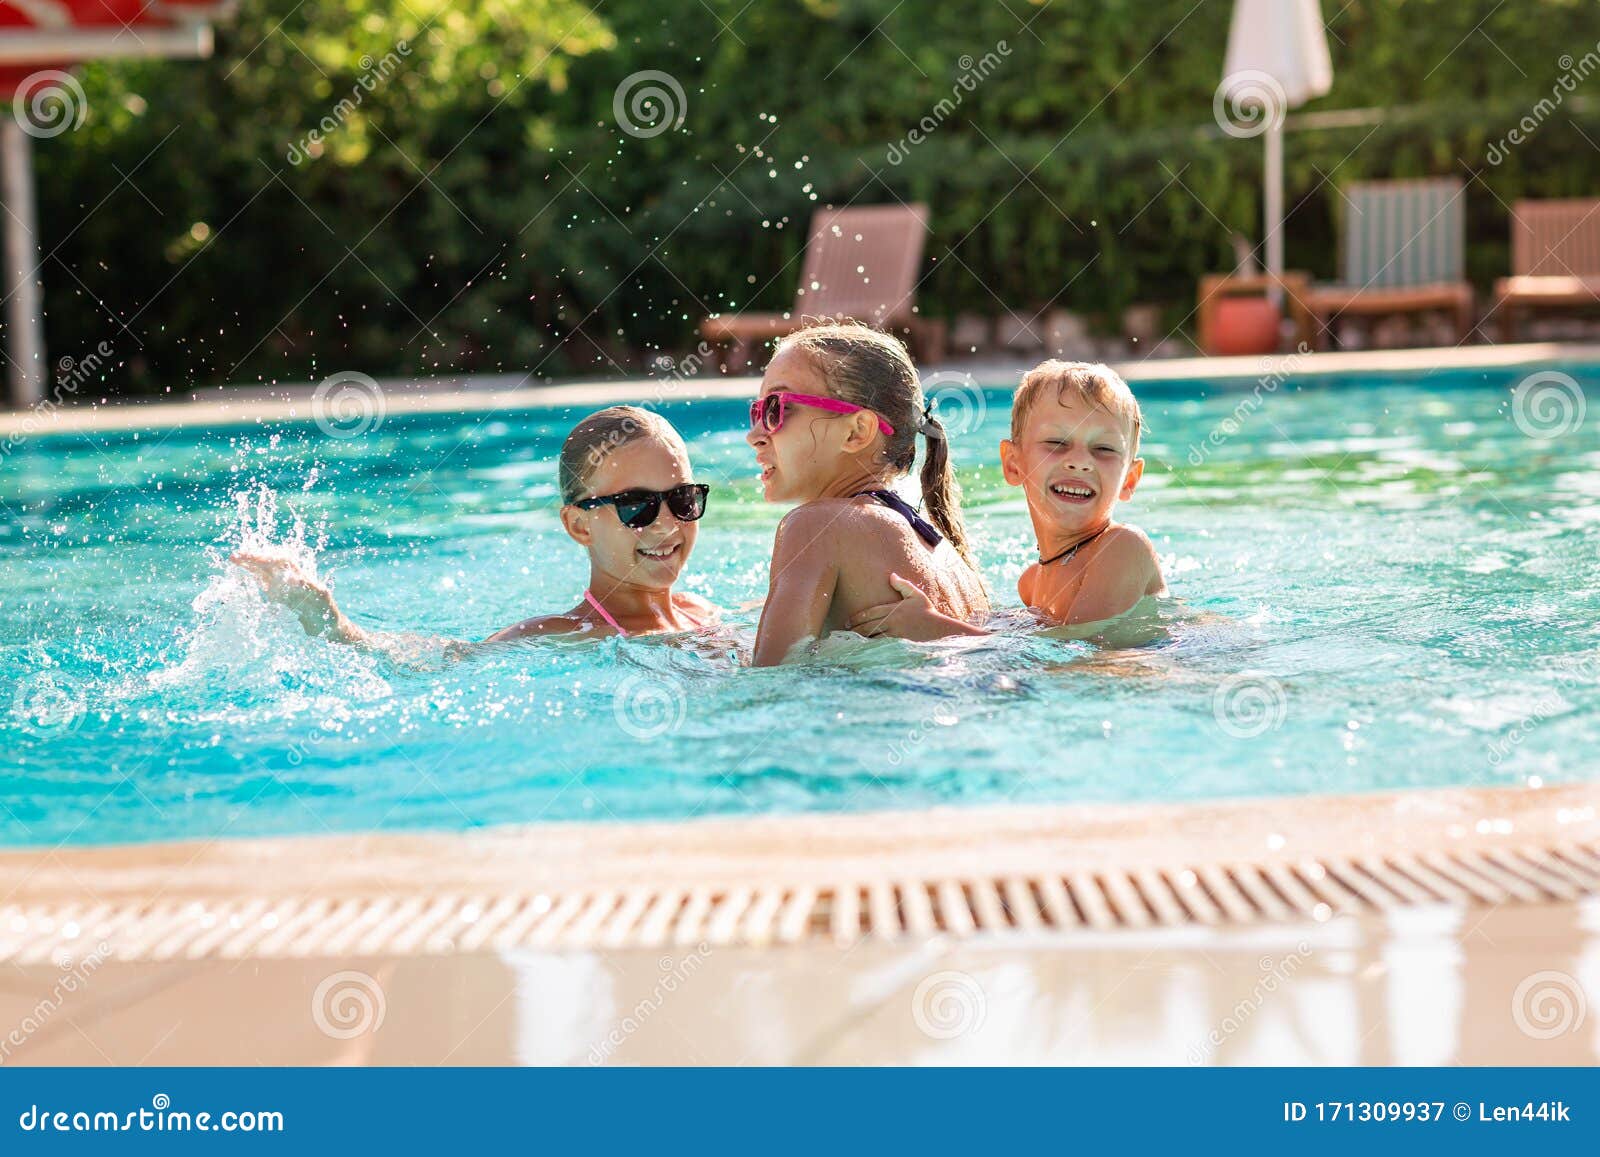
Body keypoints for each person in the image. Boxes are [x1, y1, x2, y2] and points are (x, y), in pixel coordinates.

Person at [234, 406, 719, 649]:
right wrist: (332, 624)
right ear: (579, 526)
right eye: (636, 507)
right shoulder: (564, 635)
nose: (667, 525)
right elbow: (435, 665)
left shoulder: (705, 615)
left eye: (682, 499)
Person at [847, 360, 1164, 640]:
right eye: (1056, 443)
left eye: (1104, 449)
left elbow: (1080, 660)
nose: (1080, 461)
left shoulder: (1122, 548)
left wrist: (934, 628)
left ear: (1130, 479)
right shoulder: (1031, 584)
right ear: (1013, 464)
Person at [746, 321, 989, 665]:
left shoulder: (815, 526)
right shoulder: (945, 549)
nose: (754, 434)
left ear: (856, 432)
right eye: (755, 411)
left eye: (776, 408)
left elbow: (767, 679)